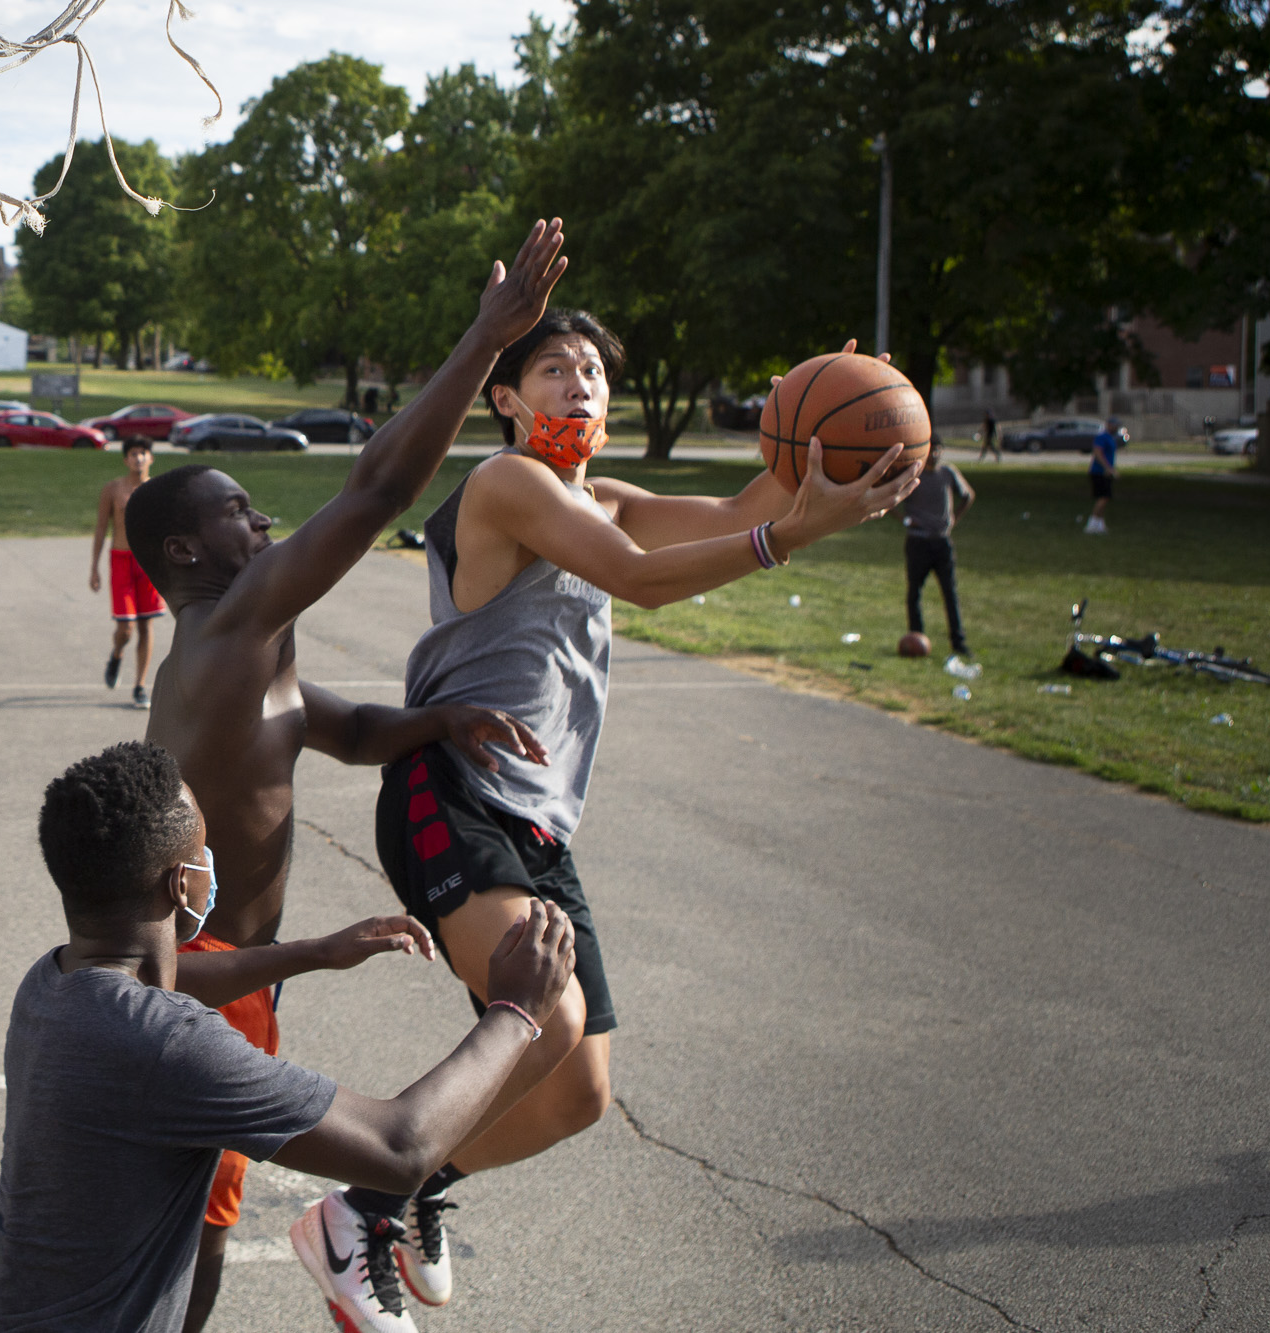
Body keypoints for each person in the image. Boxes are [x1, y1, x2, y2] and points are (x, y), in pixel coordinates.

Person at [329, 313, 921, 1325]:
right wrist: (789, 535)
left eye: (592, 368)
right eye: (550, 368)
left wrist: (809, 425)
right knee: (544, 1018)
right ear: (507, 400)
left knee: (573, 1093)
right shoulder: (505, 482)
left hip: (539, 826)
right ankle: (362, 1206)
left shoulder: (601, 498)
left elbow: (748, 499)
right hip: (453, 790)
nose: (576, 381)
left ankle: (410, 1189)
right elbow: (642, 581)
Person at [128, 218, 568, 1333]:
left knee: (193, 1205)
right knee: (203, 1217)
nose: (263, 519)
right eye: (239, 510)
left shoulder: (244, 665)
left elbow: (354, 727)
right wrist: (483, 339)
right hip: (209, 973)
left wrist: (441, 719)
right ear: (184, 551)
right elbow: (373, 491)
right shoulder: (224, 632)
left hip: (226, 966)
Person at [0, 740, 575, 1333]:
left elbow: (170, 977)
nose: (213, 867)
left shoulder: (53, 982)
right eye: (202, 854)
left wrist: (314, 951)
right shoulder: (167, 1046)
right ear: (182, 884)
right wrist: (516, 1009)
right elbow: (398, 1145)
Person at [91, 436, 164, 709]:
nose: (138, 458)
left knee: (146, 624)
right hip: (120, 559)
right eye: (133, 453)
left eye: (143, 453)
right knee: (126, 627)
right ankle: (117, 653)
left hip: (148, 562)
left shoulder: (157, 490)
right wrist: (94, 568)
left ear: (151, 458)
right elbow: (101, 529)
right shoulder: (113, 489)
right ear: (125, 459)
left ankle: (140, 685)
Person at [902, 437, 976, 661]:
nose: (934, 455)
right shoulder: (914, 476)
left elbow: (968, 495)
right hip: (918, 541)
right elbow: (891, 500)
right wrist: (906, 520)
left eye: (938, 450)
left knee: (950, 593)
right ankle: (917, 639)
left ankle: (958, 642)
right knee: (914, 593)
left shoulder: (948, 473)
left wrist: (954, 518)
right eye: (930, 451)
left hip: (941, 541)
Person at [1087, 415, 1123, 534]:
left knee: (1105, 497)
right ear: (1109, 425)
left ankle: (1100, 525)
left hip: (1106, 472)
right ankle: (1091, 524)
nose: (1116, 427)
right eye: (1114, 425)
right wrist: (1107, 468)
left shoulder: (1110, 438)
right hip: (1099, 471)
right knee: (1103, 497)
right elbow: (1097, 453)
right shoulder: (1102, 437)